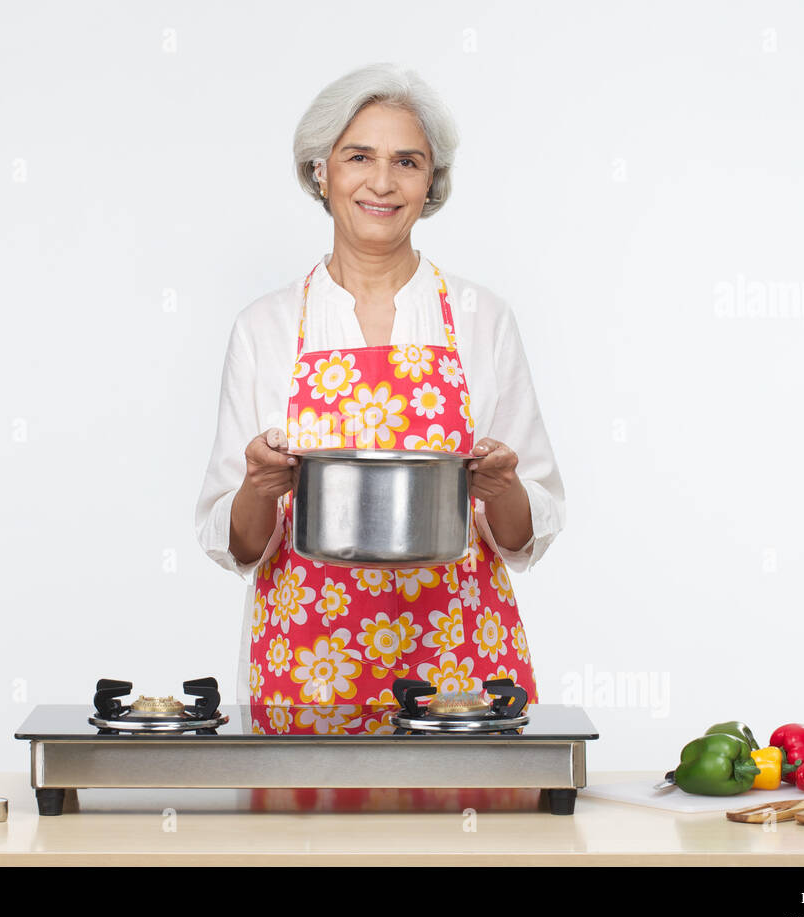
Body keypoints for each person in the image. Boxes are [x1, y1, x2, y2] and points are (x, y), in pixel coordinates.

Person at [195, 63, 565, 718]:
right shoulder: (266, 328)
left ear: (431, 183)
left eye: (408, 162)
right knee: (315, 825)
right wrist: (257, 486)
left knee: (460, 822)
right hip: (309, 674)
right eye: (358, 156)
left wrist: (504, 487)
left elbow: (525, 535)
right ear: (321, 170)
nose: (383, 182)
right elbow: (241, 547)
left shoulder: (483, 320)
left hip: (460, 677)